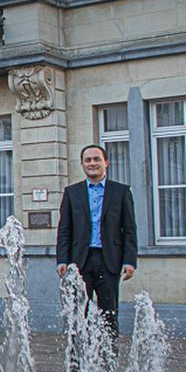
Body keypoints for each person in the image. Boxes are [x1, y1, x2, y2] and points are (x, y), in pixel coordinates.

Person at [56, 144, 137, 340]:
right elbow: (65, 229)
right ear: (82, 164)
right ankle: (75, 367)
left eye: (96, 159)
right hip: (80, 261)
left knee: (108, 314)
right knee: (77, 314)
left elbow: (129, 229)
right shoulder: (72, 192)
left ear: (105, 162)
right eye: (88, 160)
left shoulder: (120, 191)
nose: (92, 163)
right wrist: (62, 260)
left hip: (109, 260)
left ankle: (107, 365)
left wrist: (129, 261)